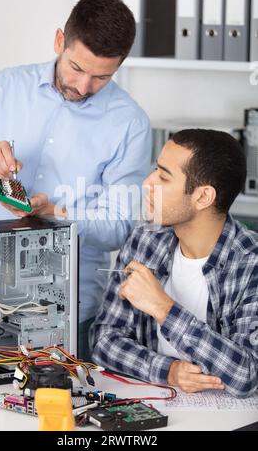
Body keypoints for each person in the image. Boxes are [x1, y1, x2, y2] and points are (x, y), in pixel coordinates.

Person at [0, 0, 151, 360]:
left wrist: (56, 213)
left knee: (60, 412)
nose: (83, 87)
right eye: (77, 68)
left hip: (69, 310)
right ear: (60, 40)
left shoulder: (130, 123)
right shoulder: (8, 85)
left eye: (101, 77)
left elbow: (120, 226)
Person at [91, 129, 258, 398]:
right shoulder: (144, 241)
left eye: (163, 177)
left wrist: (164, 308)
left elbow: (246, 374)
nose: (147, 182)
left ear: (203, 197)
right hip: (157, 404)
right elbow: (103, 340)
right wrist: (168, 371)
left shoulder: (250, 263)